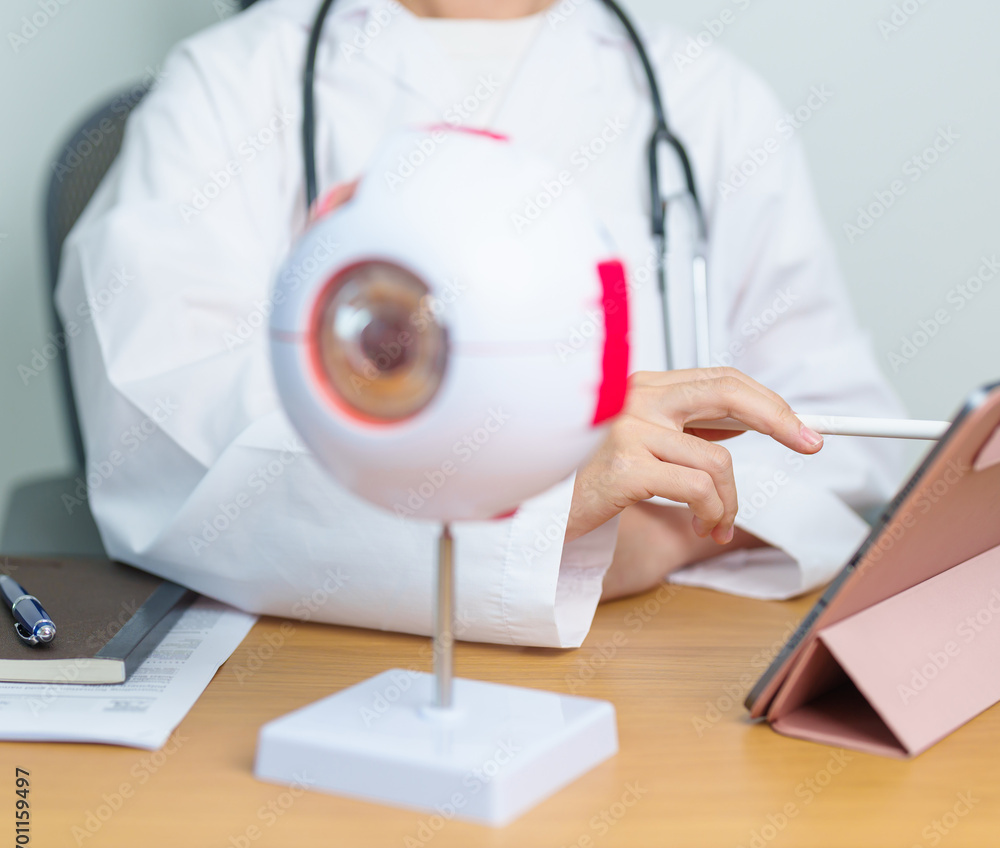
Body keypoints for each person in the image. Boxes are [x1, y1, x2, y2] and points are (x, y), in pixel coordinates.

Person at [56, 0, 904, 648]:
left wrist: (653, 533)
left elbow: (842, 437)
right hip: (324, 666)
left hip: (654, 677)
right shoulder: (229, 84)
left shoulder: (708, 99)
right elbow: (155, 433)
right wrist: (556, 513)